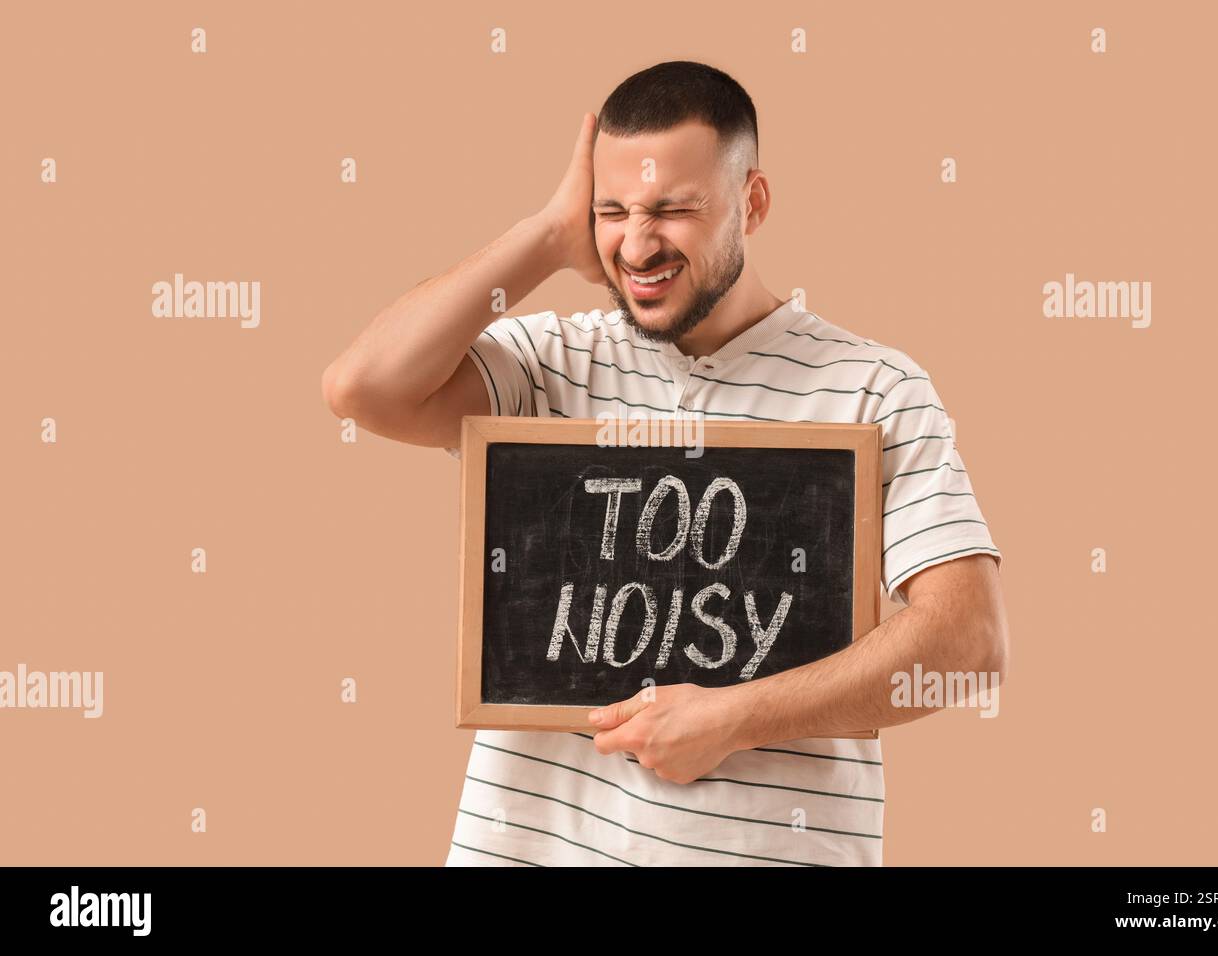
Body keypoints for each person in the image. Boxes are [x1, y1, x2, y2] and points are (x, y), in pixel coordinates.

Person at [322, 60, 1010, 866]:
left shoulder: (873, 388)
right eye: (611, 211)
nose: (638, 244)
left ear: (752, 203)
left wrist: (735, 717)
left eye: (674, 209)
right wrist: (548, 236)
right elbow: (362, 388)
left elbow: (969, 646)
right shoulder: (551, 360)